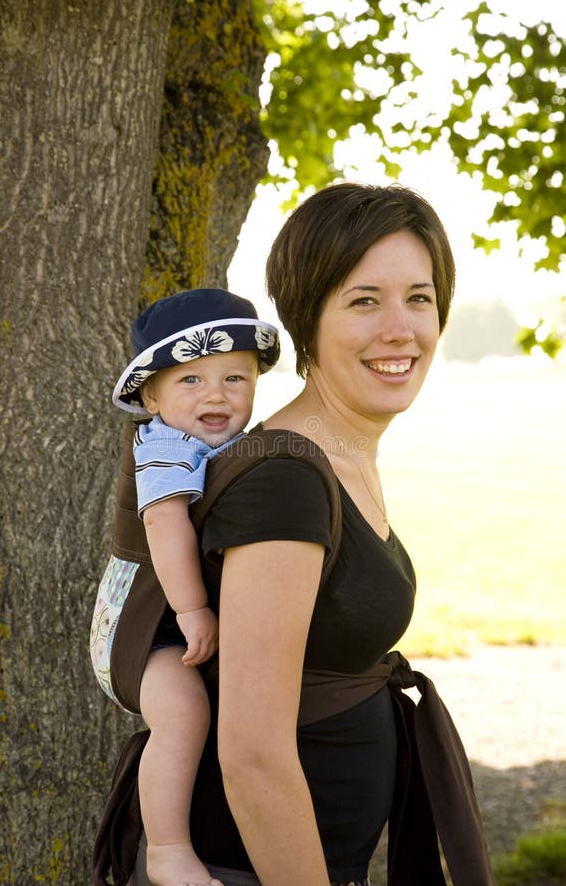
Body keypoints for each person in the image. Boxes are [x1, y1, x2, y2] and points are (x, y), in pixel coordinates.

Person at [121, 182, 492, 886]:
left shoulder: (337, 456)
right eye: (364, 301)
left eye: (419, 297)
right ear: (306, 317)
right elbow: (253, 754)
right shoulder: (285, 480)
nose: (400, 328)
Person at [95, 288, 280, 886]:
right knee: (184, 712)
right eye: (191, 380)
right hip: (144, 624)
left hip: (170, 615)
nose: (216, 395)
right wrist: (195, 608)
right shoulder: (165, 445)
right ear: (151, 397)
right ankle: (168, 849)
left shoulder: (225, 442)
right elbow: (165, 524)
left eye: (234, 377)